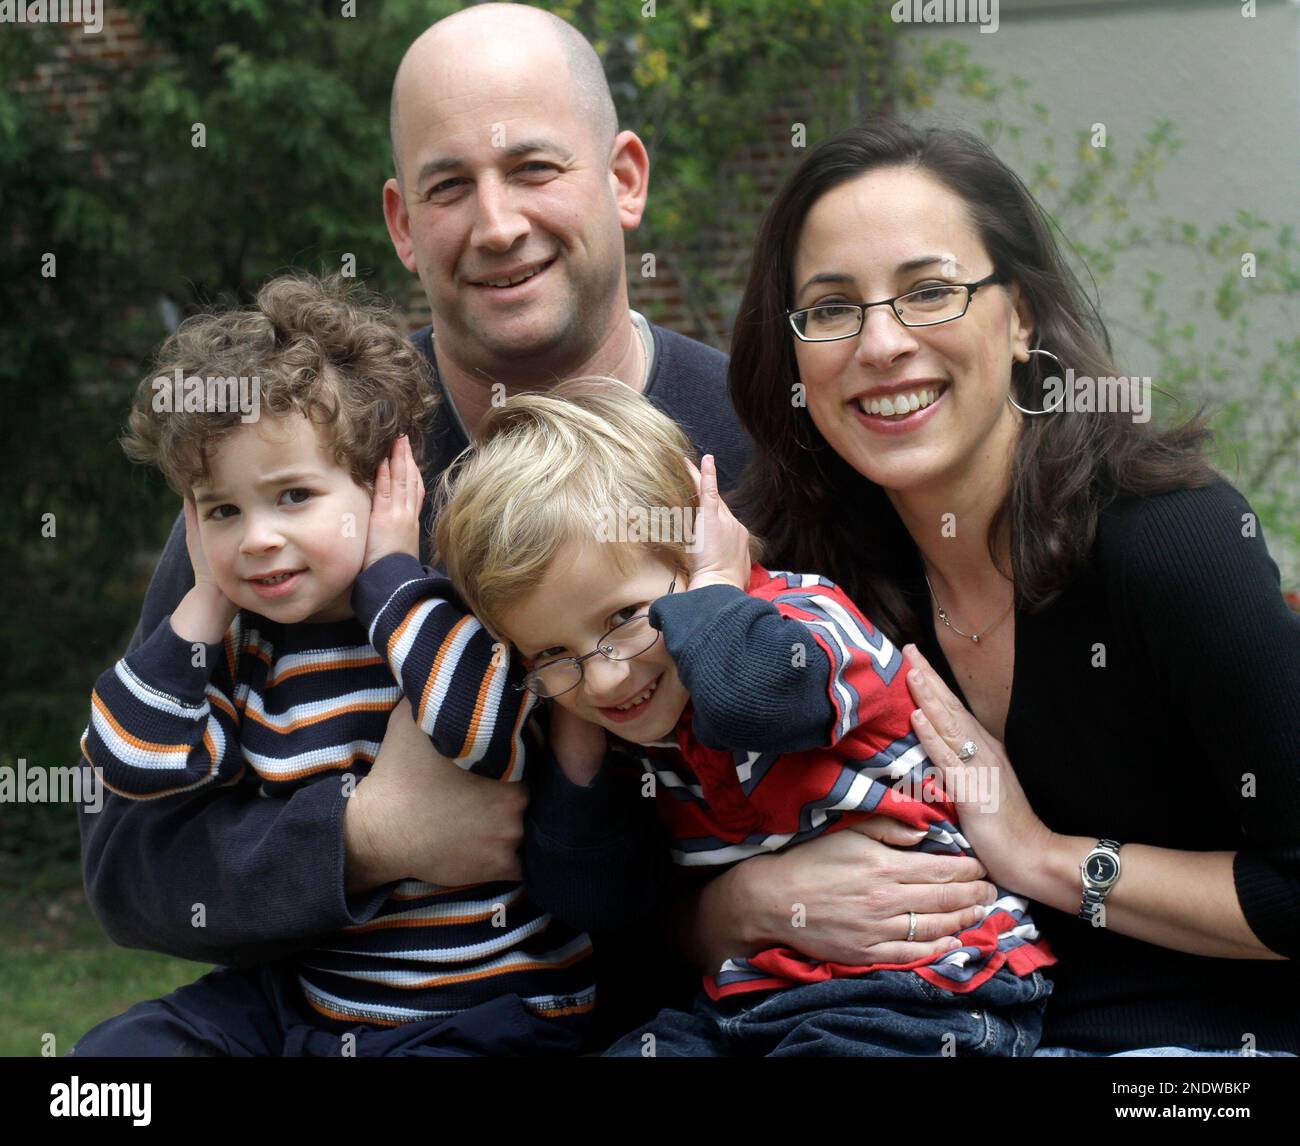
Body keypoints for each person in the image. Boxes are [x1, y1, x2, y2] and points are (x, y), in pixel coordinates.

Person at [73, 3, 809, 1053]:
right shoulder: (311, 453)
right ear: (402, 224)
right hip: (338, 1016)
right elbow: (128, 859)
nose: (496, 223)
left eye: (535, 168)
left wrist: (733, 916)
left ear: (626, 178)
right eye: (449, 185)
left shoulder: (758, 449)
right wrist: (362, 839)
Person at [679, 118, 1299, 1055]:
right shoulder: (803, 580)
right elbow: (648, 899)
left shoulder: (1173, 542)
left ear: (1021, 318)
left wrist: (1043, 858)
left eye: (930, 291)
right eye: (833, 308)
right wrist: (745, 904)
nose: (881, 343)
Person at [431, 380, 1057, 1056]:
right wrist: (576, 718)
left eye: (622, 617)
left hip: (927, 988)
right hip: (751, 1004)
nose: (609, 673)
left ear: (699, 545)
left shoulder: (802, 622)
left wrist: (716, 586)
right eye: (552, 650)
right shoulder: (635, 710)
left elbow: (745, 700)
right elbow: (590, 896)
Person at [73, 273, 611, 1055]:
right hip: (316, 999)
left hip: (486, 1010)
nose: (256, 537)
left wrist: (389, 577)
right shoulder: (242, 652)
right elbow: (133, 762)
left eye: (293, 495)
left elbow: (484, 734)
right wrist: (203, 604)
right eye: (223, 510)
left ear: (382, 482)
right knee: (113, 1065)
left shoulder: (445, 609)